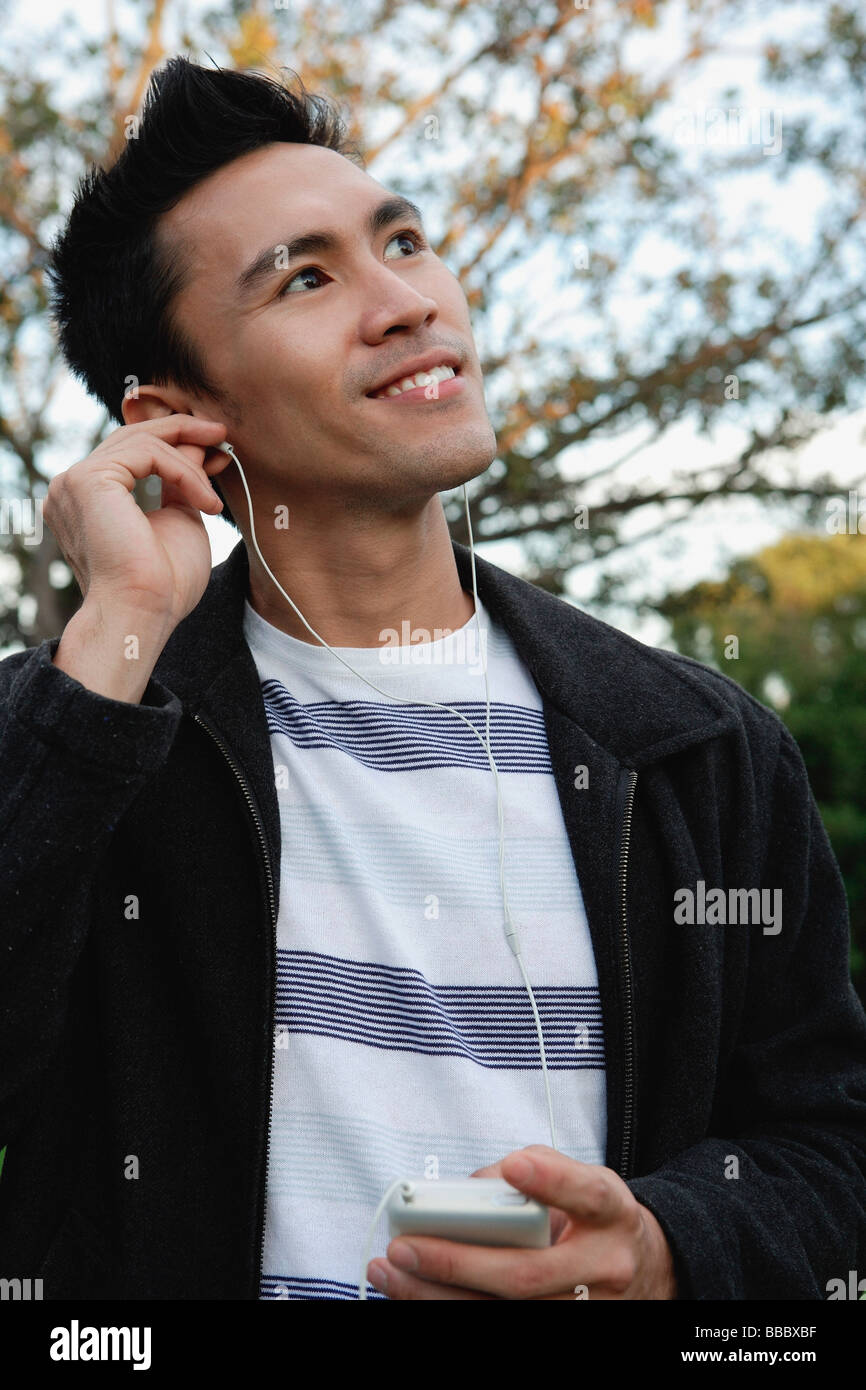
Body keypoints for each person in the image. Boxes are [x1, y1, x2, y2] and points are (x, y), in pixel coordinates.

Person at [0, 55, 863, 1302]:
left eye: (402, 239)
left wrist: (665, 1250)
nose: (406, 302)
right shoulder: (81, 737)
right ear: (178, 413)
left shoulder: (695, 747)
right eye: (307, 277)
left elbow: (825, 1143)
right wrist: (119, 626)